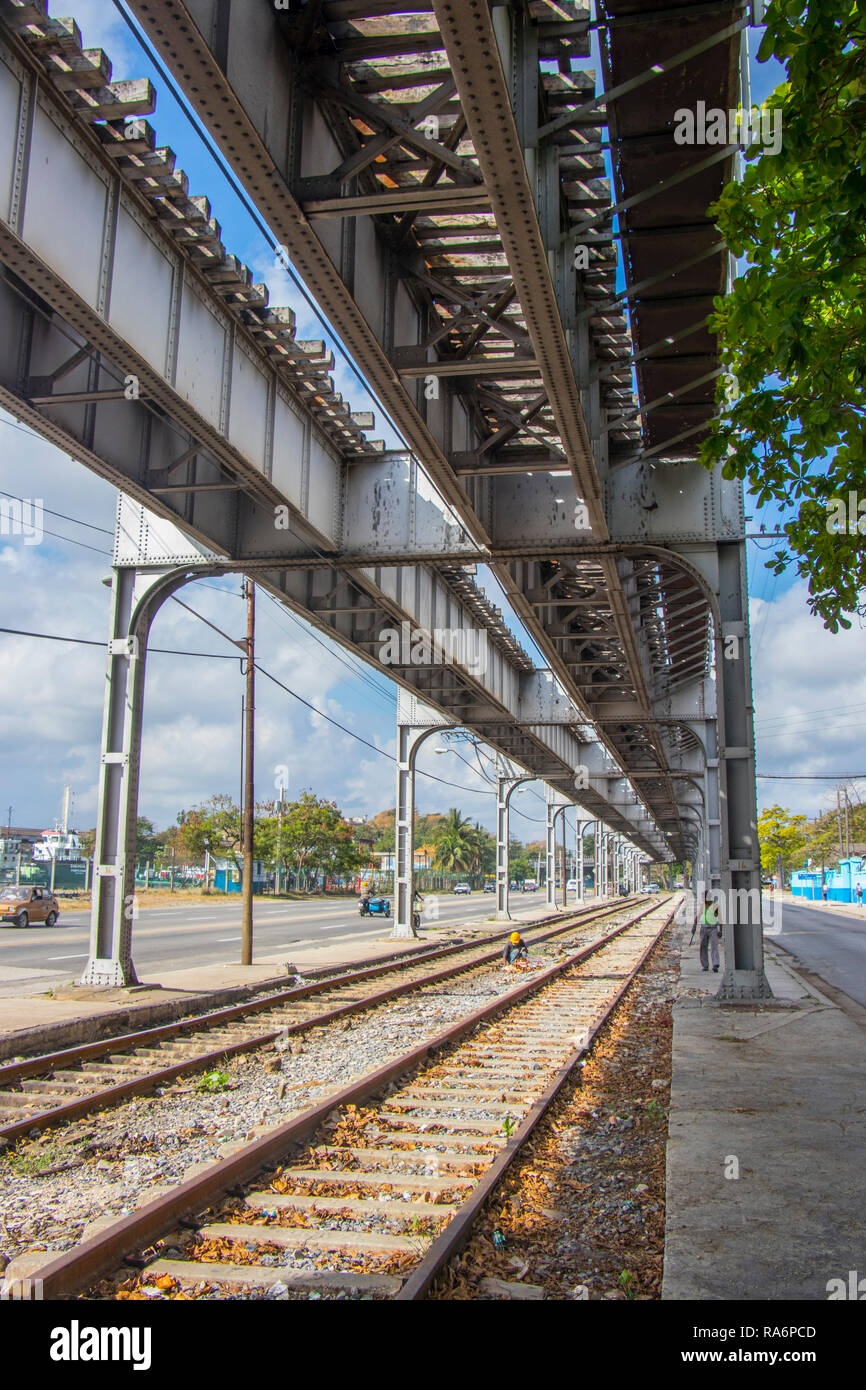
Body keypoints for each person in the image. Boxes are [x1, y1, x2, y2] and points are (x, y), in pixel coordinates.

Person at [690, 892, 721, 973]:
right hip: (704, 928)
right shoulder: (703, 906)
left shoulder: (715, 905)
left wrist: (720, 930)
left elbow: (720, 918)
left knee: (714, 946)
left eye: (703, 897)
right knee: (703, 947)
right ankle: (705, 965)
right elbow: (698, 916)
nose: (702, 898)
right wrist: (694, 926)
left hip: (713, 928)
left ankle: (715, 964)